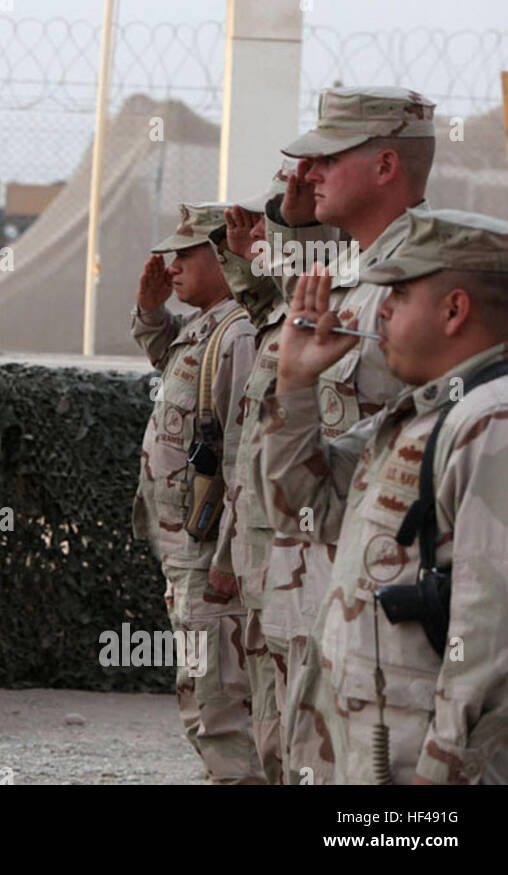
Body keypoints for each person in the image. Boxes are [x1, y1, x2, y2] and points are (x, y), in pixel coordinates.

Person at [262, 209, 508, 783]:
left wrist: (443, 779)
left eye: (399, 291)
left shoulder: (490, 424)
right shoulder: (427, 414)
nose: (383, 309)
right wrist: (295, 385)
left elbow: (489, 650)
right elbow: (301, 508)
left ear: (454, 309)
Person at [259, 86, 436, 782]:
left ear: (387, 165)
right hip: (314, 588)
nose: (309, 172)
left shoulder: (420, 284)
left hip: (379, 611)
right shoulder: (350, 277)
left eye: (329, 158)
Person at [130, 202, 262, 783]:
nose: (172, 263)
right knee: (202, 698)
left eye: (186, 253)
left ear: (224, 256)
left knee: (221, 706)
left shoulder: (240, 334)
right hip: (187, 549)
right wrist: (151, 310)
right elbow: (171, 361)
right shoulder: (207, 329)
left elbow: (243, 456)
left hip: (212, 554)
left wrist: (229, 556)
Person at [210, 167, 292, 784]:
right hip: (262, 569)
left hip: (304, 577)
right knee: (272, 739)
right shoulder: (274, 323)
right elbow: (243, 452)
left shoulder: (341, 318)